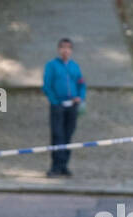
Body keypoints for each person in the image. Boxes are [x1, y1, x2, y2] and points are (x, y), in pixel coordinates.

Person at [43, 37, 86, 177]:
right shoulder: (52, 65)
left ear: (71, 50)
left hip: (72, 106)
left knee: (68, 135)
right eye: (63, 47)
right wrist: (55, 101)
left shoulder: (75, 66)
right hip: (58, 106)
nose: (65, 50)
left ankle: (64, 166)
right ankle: (55, 166)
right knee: (57, 136)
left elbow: (81, 83)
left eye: (68, 48)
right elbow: (47, 86)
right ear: (58, 49)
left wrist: (80, 97)